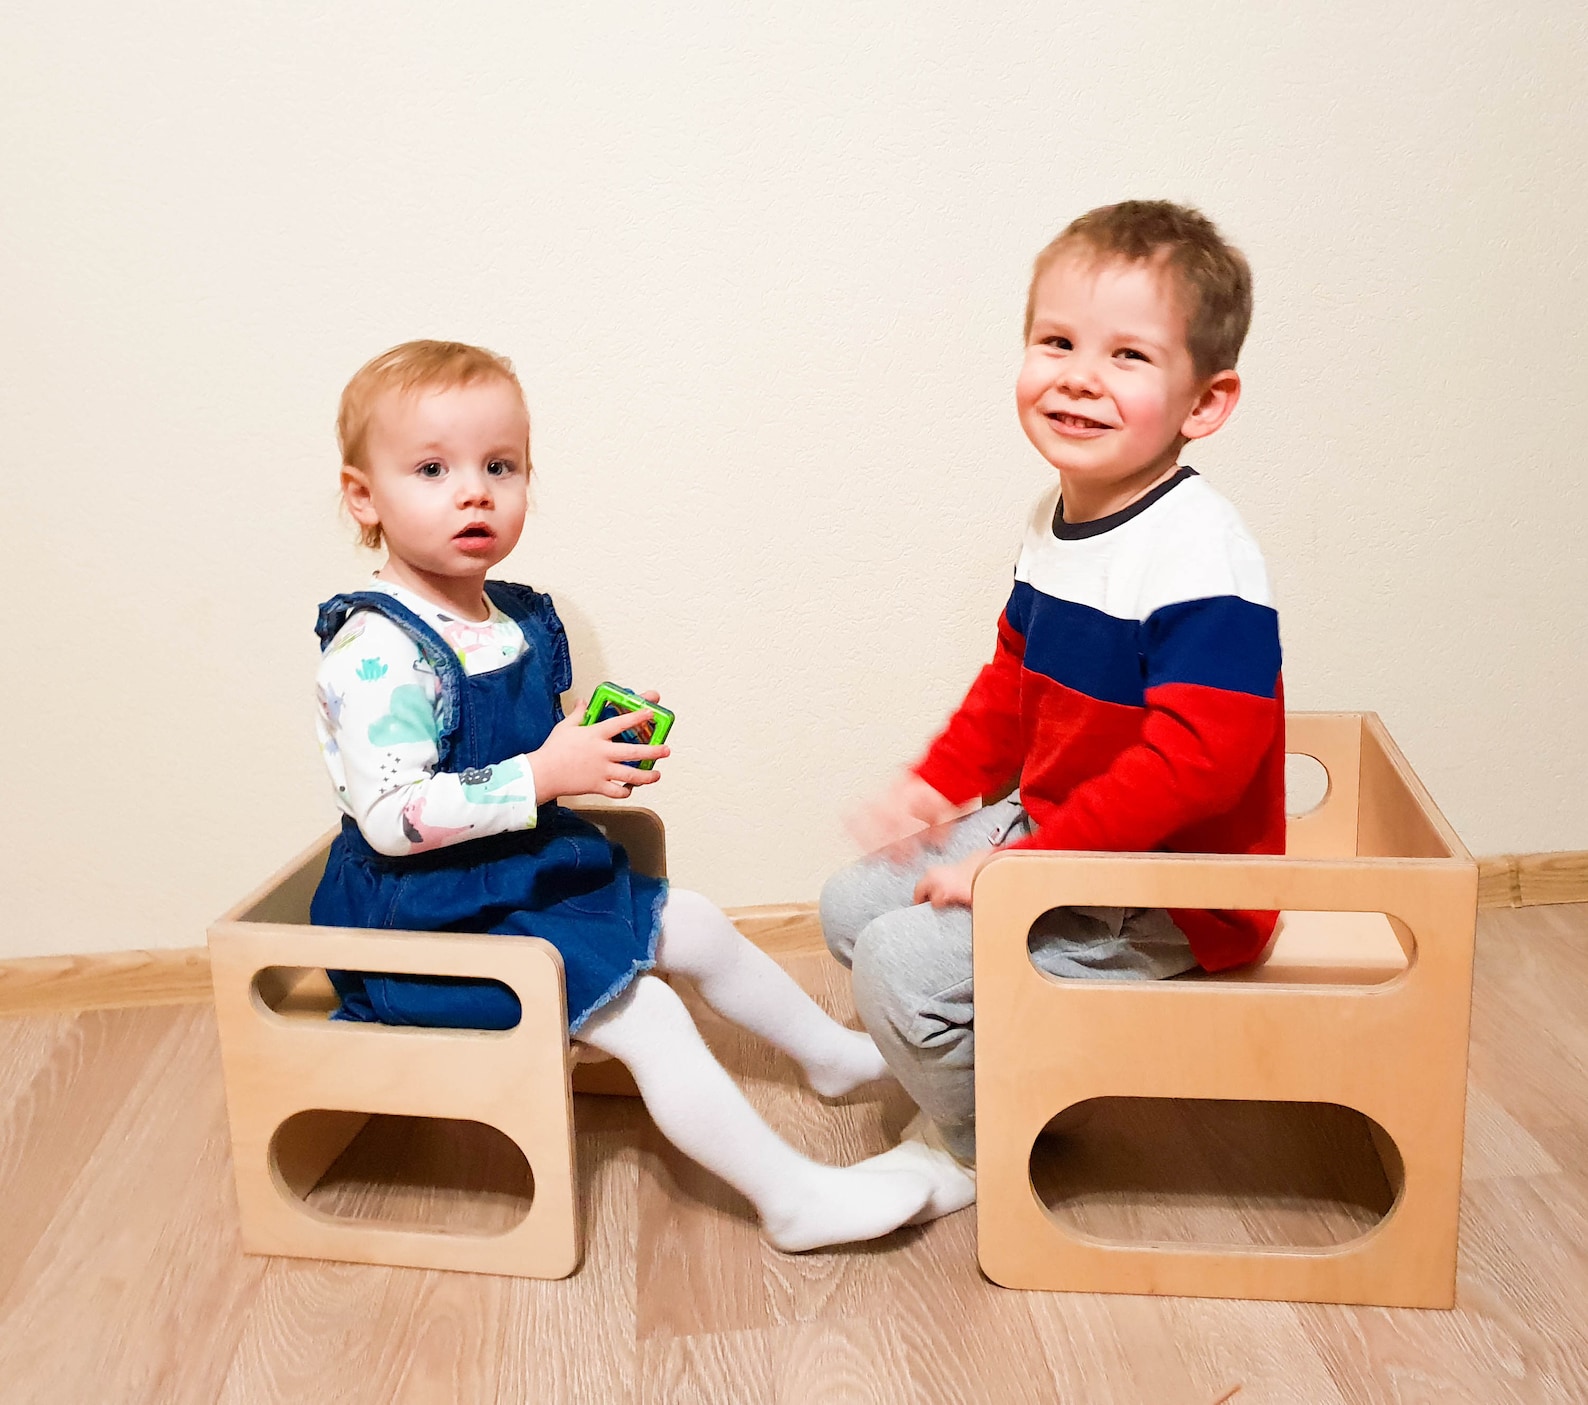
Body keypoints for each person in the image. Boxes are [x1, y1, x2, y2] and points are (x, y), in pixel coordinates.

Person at [310, 339, 929, 1252]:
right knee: (650, 1013)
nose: (474, 490)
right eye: (434, 469)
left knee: (700, 921)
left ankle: (832, 1060)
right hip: (427, 924)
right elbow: (395, 821)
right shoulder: (376, 651)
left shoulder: (510, 615)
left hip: (515, 879)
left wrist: (587, 759)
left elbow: (520, 753)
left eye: (500, 466)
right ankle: (789, 1199)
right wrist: (543, 776)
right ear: (365, 497)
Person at [827, 201, 1286, 1221]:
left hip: (1166, 881)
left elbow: (1199, 764)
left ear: (1203, 404)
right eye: (1057, 342)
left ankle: (988, 1136)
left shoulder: (1199, 553)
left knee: (903, 965)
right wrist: (939, 783)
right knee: (852, 905)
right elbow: (1012, 684)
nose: (1078, 375)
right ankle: (1003, 1059)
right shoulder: (1062, 516)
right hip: (1065, 831)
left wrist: (1020, 868)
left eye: (1127, 355)